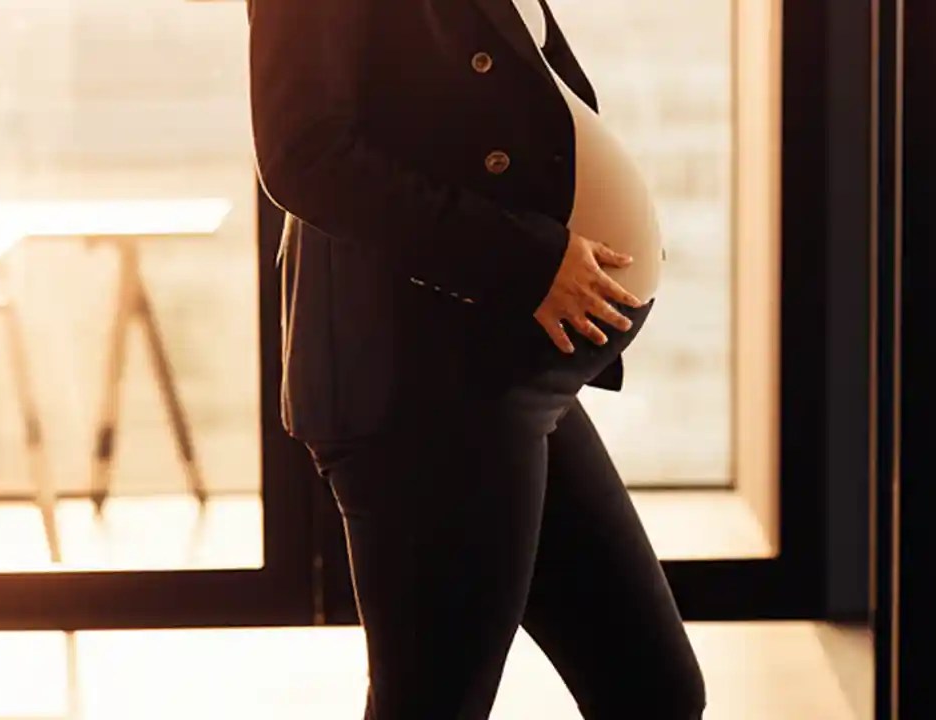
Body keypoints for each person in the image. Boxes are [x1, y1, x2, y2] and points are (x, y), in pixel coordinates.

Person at [247, 0, 705, 716]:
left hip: (507, 366)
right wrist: (527, 262)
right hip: (420, 381)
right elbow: (304, 154)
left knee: (653, 693)